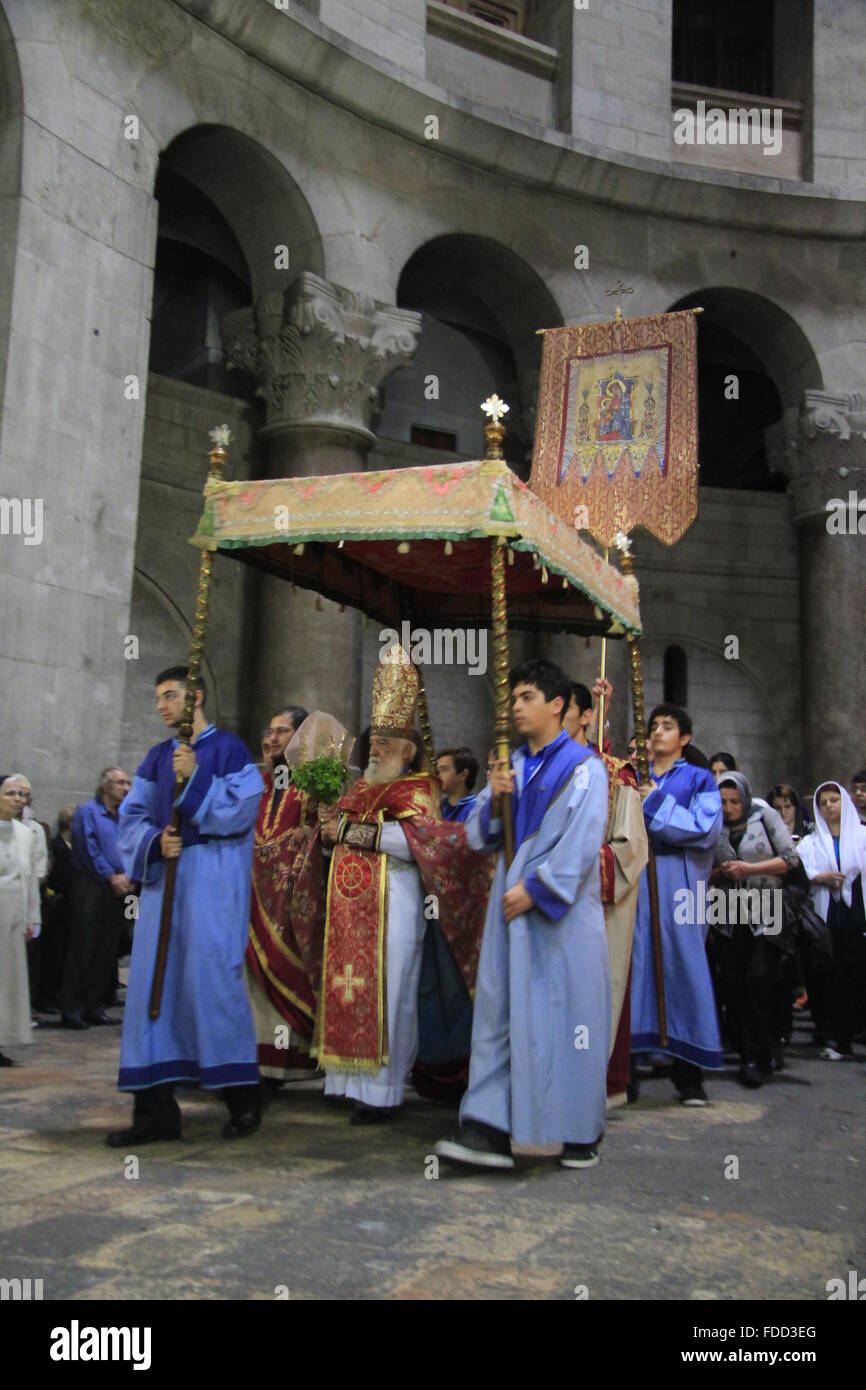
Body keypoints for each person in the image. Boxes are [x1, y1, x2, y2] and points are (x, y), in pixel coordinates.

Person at [435, 659, 610, 1171]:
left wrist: (537, 888)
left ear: (557, 705)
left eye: (527, 696)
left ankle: (576, 1130)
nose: (515, 706)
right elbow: (476, 836)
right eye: (512, 698)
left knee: (566, 1020)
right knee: (500, 1012)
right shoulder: (508, 765)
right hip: (508, 912)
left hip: (560, 917)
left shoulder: (585, 768)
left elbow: (583, 842)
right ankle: (489, 1125)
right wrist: (495, 803)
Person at [316, 647, 488, 1124]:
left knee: (392, 994)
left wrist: (348, 831)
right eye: (375, 739)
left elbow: (418, 841)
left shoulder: (418, 790)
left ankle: (383, 1093)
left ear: (408, 750)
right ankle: (347, 1083)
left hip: (396, 902)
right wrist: (329, 829)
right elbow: (336, 844)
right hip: (350, 907)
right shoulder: (357, 789)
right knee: (348, 989)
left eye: (388, 739)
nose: (376, 746)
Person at [107, 667, 264, 1146]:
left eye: (171, 696)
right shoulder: (156, 757)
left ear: (195, 697)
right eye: (158, 698)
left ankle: (242, 1098)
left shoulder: (229, 750)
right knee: (151, 991)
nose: (162, 706)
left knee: (212, 982)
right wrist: (156, 843)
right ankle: (155, 1113)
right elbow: (131, 818)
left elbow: (242, 810)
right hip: (162, 887)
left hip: (212, 880)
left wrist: (195, 777)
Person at [630, 704, 724, 1106]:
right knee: (634, 967)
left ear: (684, 738)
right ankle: (627, 1072)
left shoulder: (700, 778)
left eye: (667, 726)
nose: (657, 732)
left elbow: (705, 829)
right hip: (636, 877)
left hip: (677, 877)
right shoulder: (632, 776)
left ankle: (690, 1077)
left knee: (683, 968)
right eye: (653, 726)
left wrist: (655, 803)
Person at [245, 704, 336, 1093]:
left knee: (289, 974)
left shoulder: (314, 785)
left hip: (293, 901)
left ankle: (289, 1062)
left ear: (300, 738)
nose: (271, 738)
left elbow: (324, 837)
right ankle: (258, 1062)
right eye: (269, 731)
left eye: (282, 731)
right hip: (253, 901)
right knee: (253, 984)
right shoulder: (260, 785)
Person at [566, 679, 648, 1107]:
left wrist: (573, 869)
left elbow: (630, 849)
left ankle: (588, 1089)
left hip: (593, 907)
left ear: (583, 716)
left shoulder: (618, 776)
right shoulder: (533, 771)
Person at [711, 773, 798, 1087]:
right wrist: (720, 873)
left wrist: (749, 868)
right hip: (729, 914)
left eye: (734, 801)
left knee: (760, 979)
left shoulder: (765, 817)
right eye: (723, 802)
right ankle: (749, 1054)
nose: (729, 808)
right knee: (735, 985)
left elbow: (790, 860)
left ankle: (766, 1049)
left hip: (766, 908)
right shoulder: (713, 825)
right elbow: (702, 870)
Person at [796, 782, 866, 1060]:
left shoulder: (861, 835)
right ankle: (836, 1037)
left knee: (856, 972)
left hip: (857, 910)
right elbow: (801, 868)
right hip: (827, 911)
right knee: (832, 974)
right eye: (823, 802)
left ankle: (852, 1031)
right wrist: (819, 877)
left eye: (834, 800)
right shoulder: (811, 841)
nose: (829, 806)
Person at [60, 768, 132, 1029]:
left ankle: (94, 1005)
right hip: (90, 886)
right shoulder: (88, 811)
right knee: (84, 947)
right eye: (120, 782)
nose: (126, 787)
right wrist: (110, 875)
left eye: (128, 783)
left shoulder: (125, 816)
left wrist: (128, 875)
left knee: (106, 949)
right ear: (105, 786)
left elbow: (131, 846)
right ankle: (71, 1008)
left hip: (119, 888)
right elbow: (87, 847)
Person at [0, 776, 41, 1066]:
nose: (18, 798)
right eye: (10, 793)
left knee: (9, 981)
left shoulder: (25, 833)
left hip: (14, 914)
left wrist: (31, 917)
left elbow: (30, 881)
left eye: (21, 794)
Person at [436, 747, 478, 822]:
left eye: (444, 769)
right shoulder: (439, 808)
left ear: (463, 775)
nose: (438, 776)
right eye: (438, 771)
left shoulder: (475, 808)